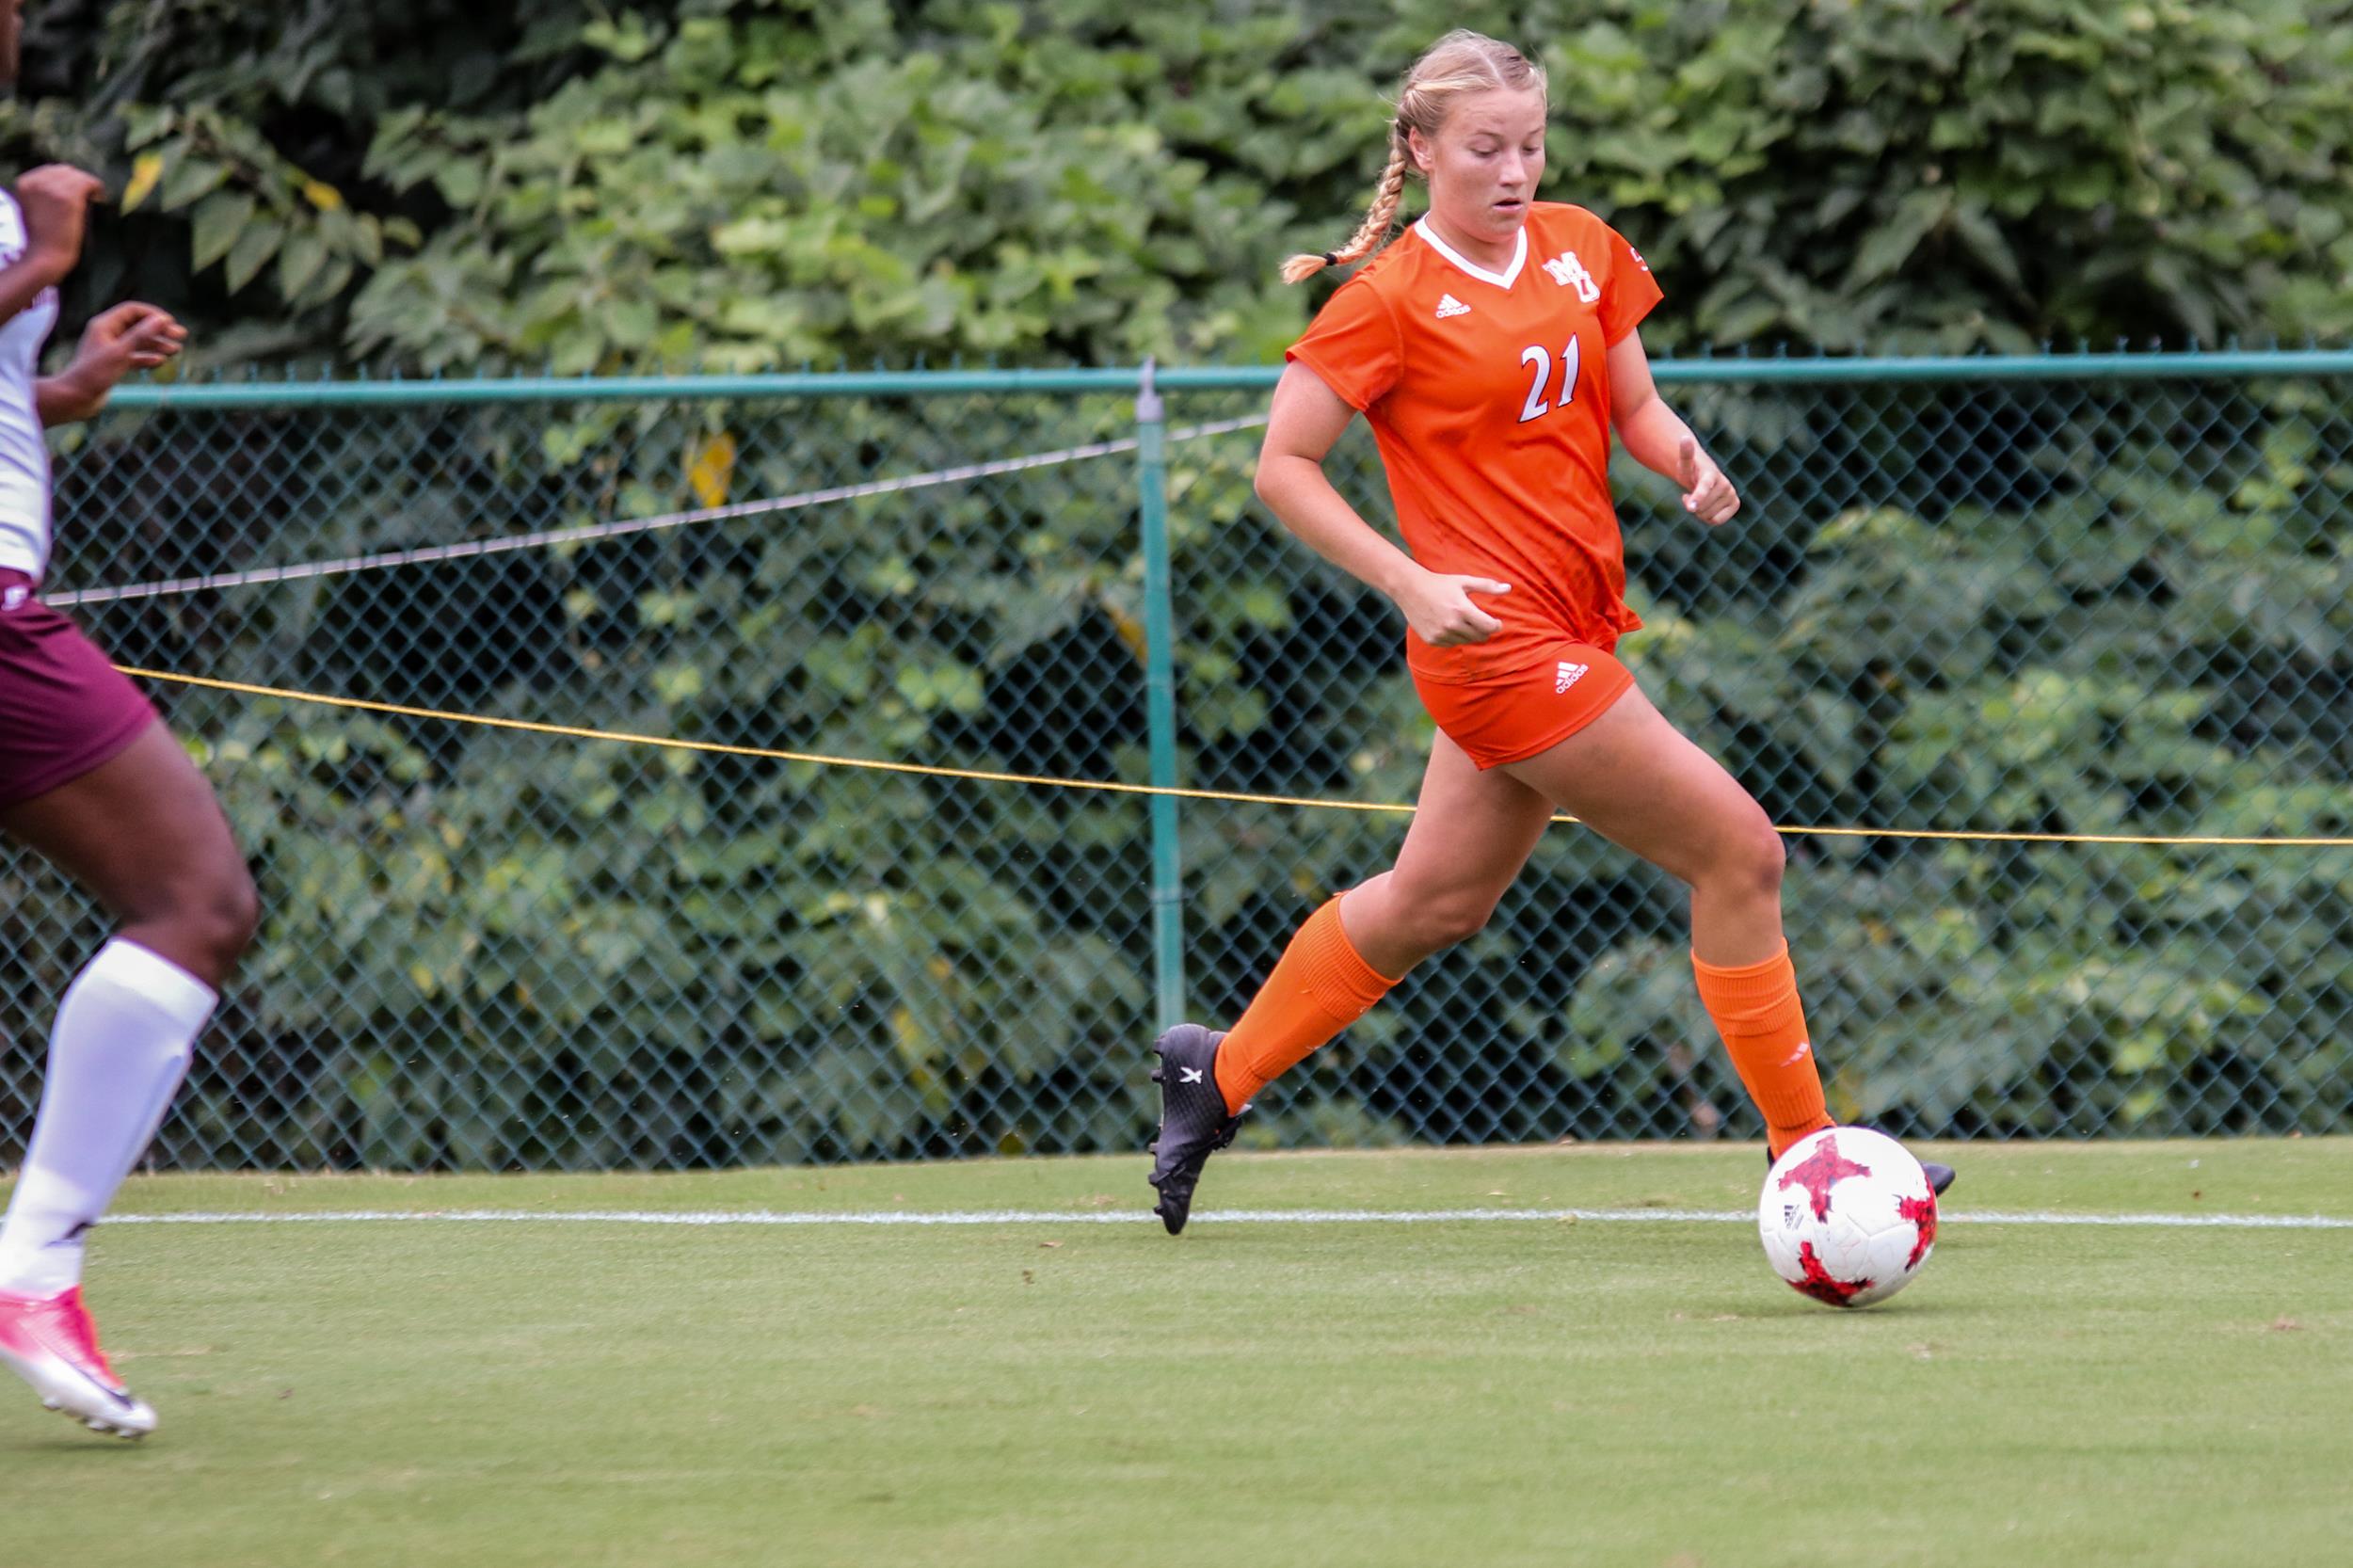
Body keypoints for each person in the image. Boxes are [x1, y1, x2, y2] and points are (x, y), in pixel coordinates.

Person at [1148, 29, 1951, 1233]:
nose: (1514, 168)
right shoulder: (1386, 301)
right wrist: (1409, 581)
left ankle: (1215, 1074)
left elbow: (1629, 402)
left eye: (1530, 142)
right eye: (1485, 147)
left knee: (1434, 903)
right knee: (1741, 853)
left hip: (1569, 628)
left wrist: (1685, 455)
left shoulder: (1581, 248)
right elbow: (1283, 469)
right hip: (1497, 651)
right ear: (1420, 152)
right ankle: (1810, 1156)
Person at [0, 1, 260, 1438]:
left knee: (192, 899)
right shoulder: (24, 220)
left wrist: (65, 385)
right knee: (194, 896)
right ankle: (30, 1269)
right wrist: (41, 259)